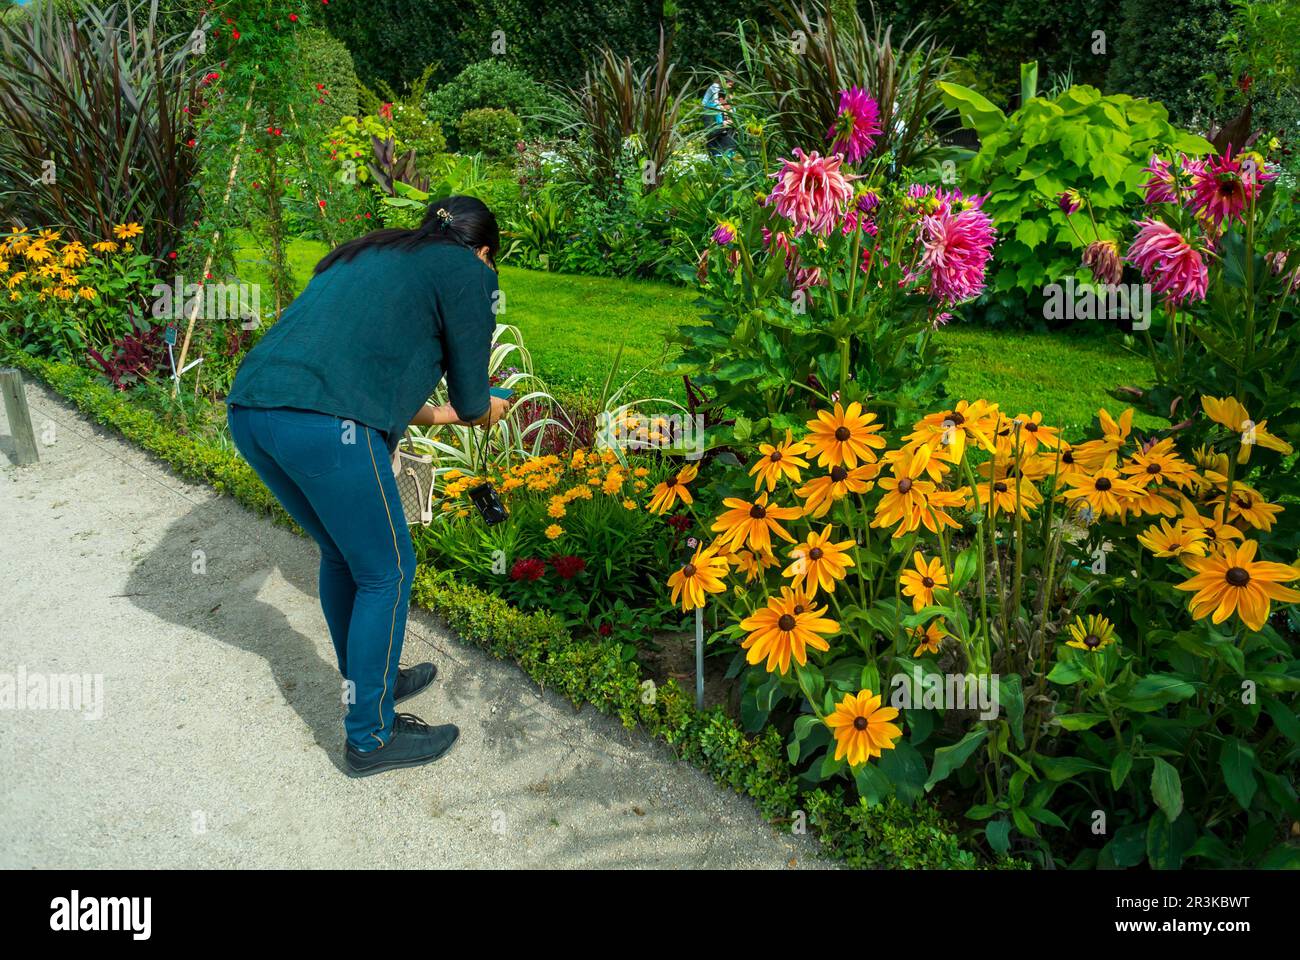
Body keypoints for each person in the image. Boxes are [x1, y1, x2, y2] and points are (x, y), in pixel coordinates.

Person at [225, 195, 510, 778]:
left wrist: (448, 415)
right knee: (389, 571)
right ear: (484, 251)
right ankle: (370, 739)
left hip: (252, 411)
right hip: (327, 428)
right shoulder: (468, 272)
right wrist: (487, 411)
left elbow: (369, 381)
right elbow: (473, 400)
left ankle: (371, 681)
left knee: (342, 553)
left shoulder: (367, 252)